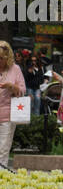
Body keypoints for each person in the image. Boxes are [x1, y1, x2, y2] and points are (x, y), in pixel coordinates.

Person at [0, 40, 28, 171]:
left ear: (7, 57)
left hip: (7, 116)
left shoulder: (15, 69)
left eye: (1, 58)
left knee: (3, 151)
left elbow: (22, 90)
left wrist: (11, 86)